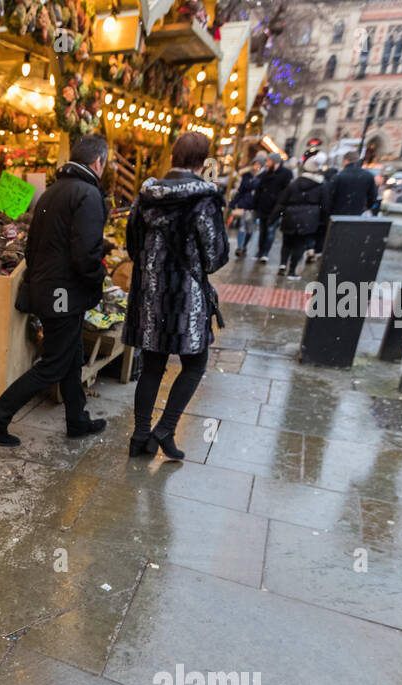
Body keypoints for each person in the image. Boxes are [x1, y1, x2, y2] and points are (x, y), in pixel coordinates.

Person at [0, 135, 111, 446]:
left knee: (72, 355)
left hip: (50, 288)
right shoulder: (88, 195)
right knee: (54, 362)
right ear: (98, 162)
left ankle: (77, 419)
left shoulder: (53, 192)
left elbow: (37, 247)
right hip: (64, 293)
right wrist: (98, 277)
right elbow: (85, 254)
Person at [123, 131, 228, 462]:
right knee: (195, 364)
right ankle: (165, 430)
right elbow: (214, 257)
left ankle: (141, 435)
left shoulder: (146, 195)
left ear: (173, 157)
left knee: (152, 364)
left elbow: (132, 245)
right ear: (203, 161)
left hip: (151, 294)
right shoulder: (204, 200)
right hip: (186, 299)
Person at [271, 153, 328, 280]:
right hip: (308, 219)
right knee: (299, 245)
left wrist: (273, 218)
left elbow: (282, 201)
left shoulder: (294, 184)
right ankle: (292, 270)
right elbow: (325, 205)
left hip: (290, 216)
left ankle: (283, 264)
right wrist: (323, 222)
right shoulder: (320, 186)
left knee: (287, 242)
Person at [252, 154, 292, 262]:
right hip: (263, 207)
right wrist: (256, 203)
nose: (267, 163)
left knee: (270, 231)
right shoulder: (267, 173)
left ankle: (265, 253)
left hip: (275, 208)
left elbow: (285, 192)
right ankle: (260, 251)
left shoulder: (286, 174)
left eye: (269, 161)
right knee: (262, 231)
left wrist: (280, 206)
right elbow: (260, 189)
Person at [227, 153, 265, 257]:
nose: (256, 166)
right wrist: (233, 202)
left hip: (254, 206)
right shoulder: (246, 175)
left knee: (250, 228)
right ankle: (240, 246)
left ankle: (244, 245)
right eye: (255, 164)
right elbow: (240, 190)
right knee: (242, 226)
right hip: (244, 204)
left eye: (259, 164)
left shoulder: (264, 177)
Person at [325, 150, 378, 216]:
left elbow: (328, 198)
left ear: (346, 160)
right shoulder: (369, 176)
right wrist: (367, 207)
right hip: (358, 214)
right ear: (358, 160)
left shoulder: (338, 176)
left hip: (338, 215)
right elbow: (373, 197)